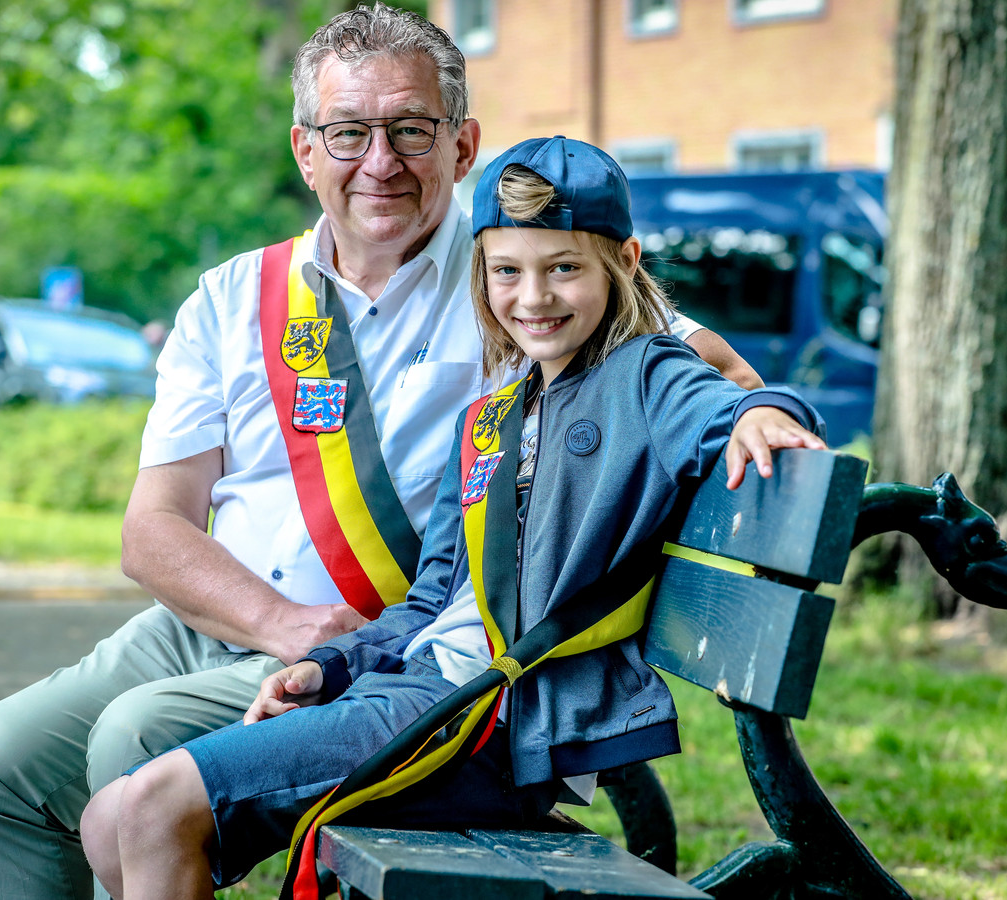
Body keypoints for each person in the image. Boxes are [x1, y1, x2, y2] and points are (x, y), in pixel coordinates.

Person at [0, 6, 761, 900]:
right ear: (305, 149)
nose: (381, 162)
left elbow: (698, 361)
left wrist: (760, 416)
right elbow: (152, 531)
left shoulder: (515, 276)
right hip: (222, 622)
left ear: (462, 143)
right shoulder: (230, 297)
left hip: (390, 644)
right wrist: (277, 624)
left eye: (411, 130)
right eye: (348, 133)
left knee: (135, 742)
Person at [78, 135, 827, 900]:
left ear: (626, 262)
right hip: (417, 690)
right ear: (483, 276)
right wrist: (328, 666)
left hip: (490, 723)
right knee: (109, 818)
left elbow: (726, 404)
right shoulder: (489, 422)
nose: (533, 298)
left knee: (153, 806)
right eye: (507, 271)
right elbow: (431, 602)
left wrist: (767, 412)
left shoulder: (641, 374)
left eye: (563, 267)